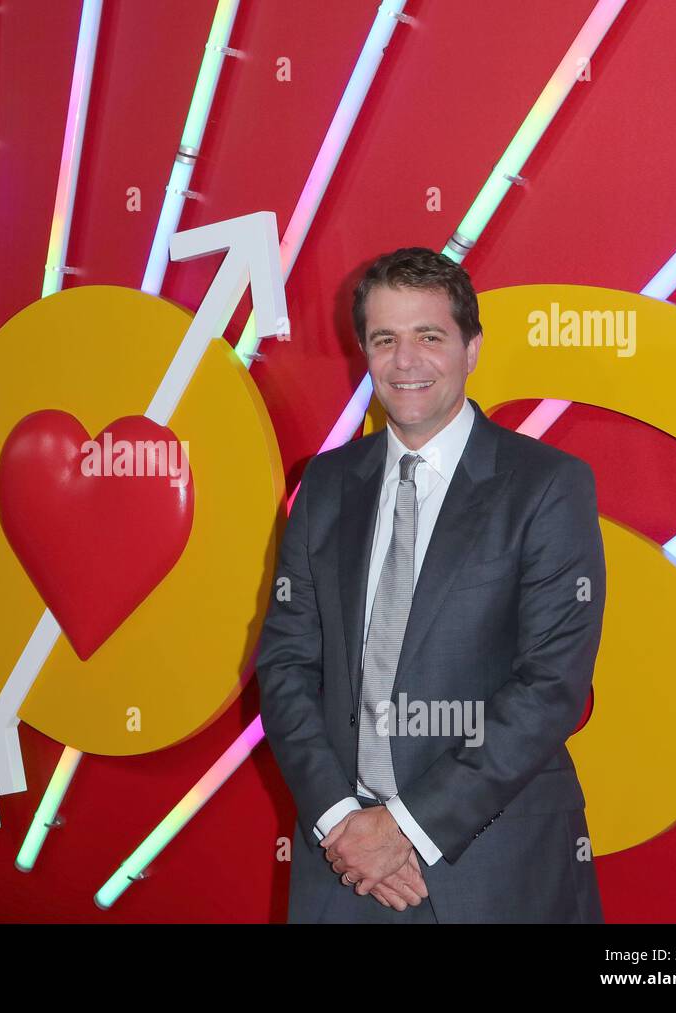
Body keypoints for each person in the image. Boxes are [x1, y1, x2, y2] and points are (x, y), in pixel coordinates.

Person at [255, 247, 606, 923]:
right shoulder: (326, 486)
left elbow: (551, 685)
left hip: (496, 864)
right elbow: (286, 664)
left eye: (429, 336)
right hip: (343, 868)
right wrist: (342, 823)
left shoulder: (547, 486)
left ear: (472, 348)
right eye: (385, 339)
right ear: (364, 350)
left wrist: (403, 827)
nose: (405, 360)